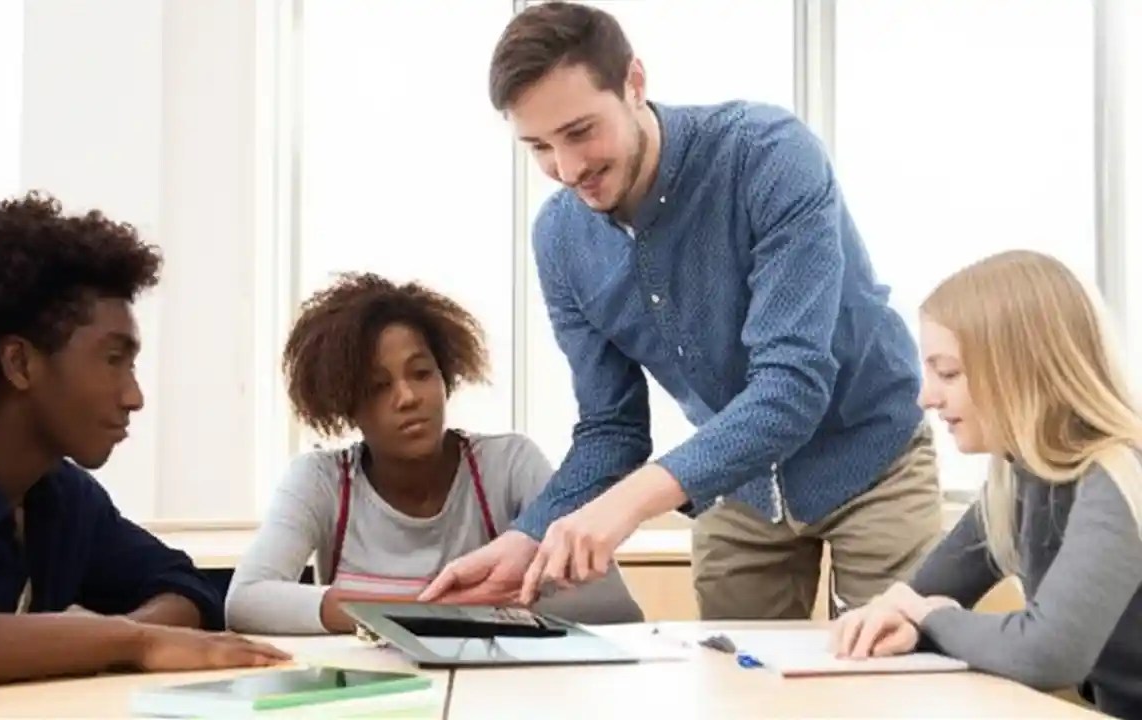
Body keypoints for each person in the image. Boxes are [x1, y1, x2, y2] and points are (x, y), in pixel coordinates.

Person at [422, 2, 940, 618]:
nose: (567, 170)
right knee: (738, 691)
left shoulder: (767, 155)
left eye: (582, 131)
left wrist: (628, 505)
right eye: (538, 146)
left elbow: (791, 387)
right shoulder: (559, 240)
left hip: (868, 453)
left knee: (891, 681)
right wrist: (527, 535)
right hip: (737, 483)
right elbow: (612, 430)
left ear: (634, 83)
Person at [0, 193, 289, 700]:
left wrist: (137, 638)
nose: (134, 396)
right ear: (20, 364)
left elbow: (184, 587)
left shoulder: (63, 499)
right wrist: (128, 643)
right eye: (114, 360)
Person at [225, 273, 641, 634]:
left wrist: (469, 609)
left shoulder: (510, 464)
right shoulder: (321, 481)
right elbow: (246, 600)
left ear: (446, 376)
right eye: (377, 387)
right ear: (345, 405)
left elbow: (612, 608)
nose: (408, 397)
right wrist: (424, 610)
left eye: (421, 374)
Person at [831, 250, 1142, 718]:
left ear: (1022, 368)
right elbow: (914, 597)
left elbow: (1047, 653)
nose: (927, 397)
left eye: (949, 372)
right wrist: (911, 620)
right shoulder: (1016, 479)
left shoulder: (1120, 473)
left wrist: (930, 618)